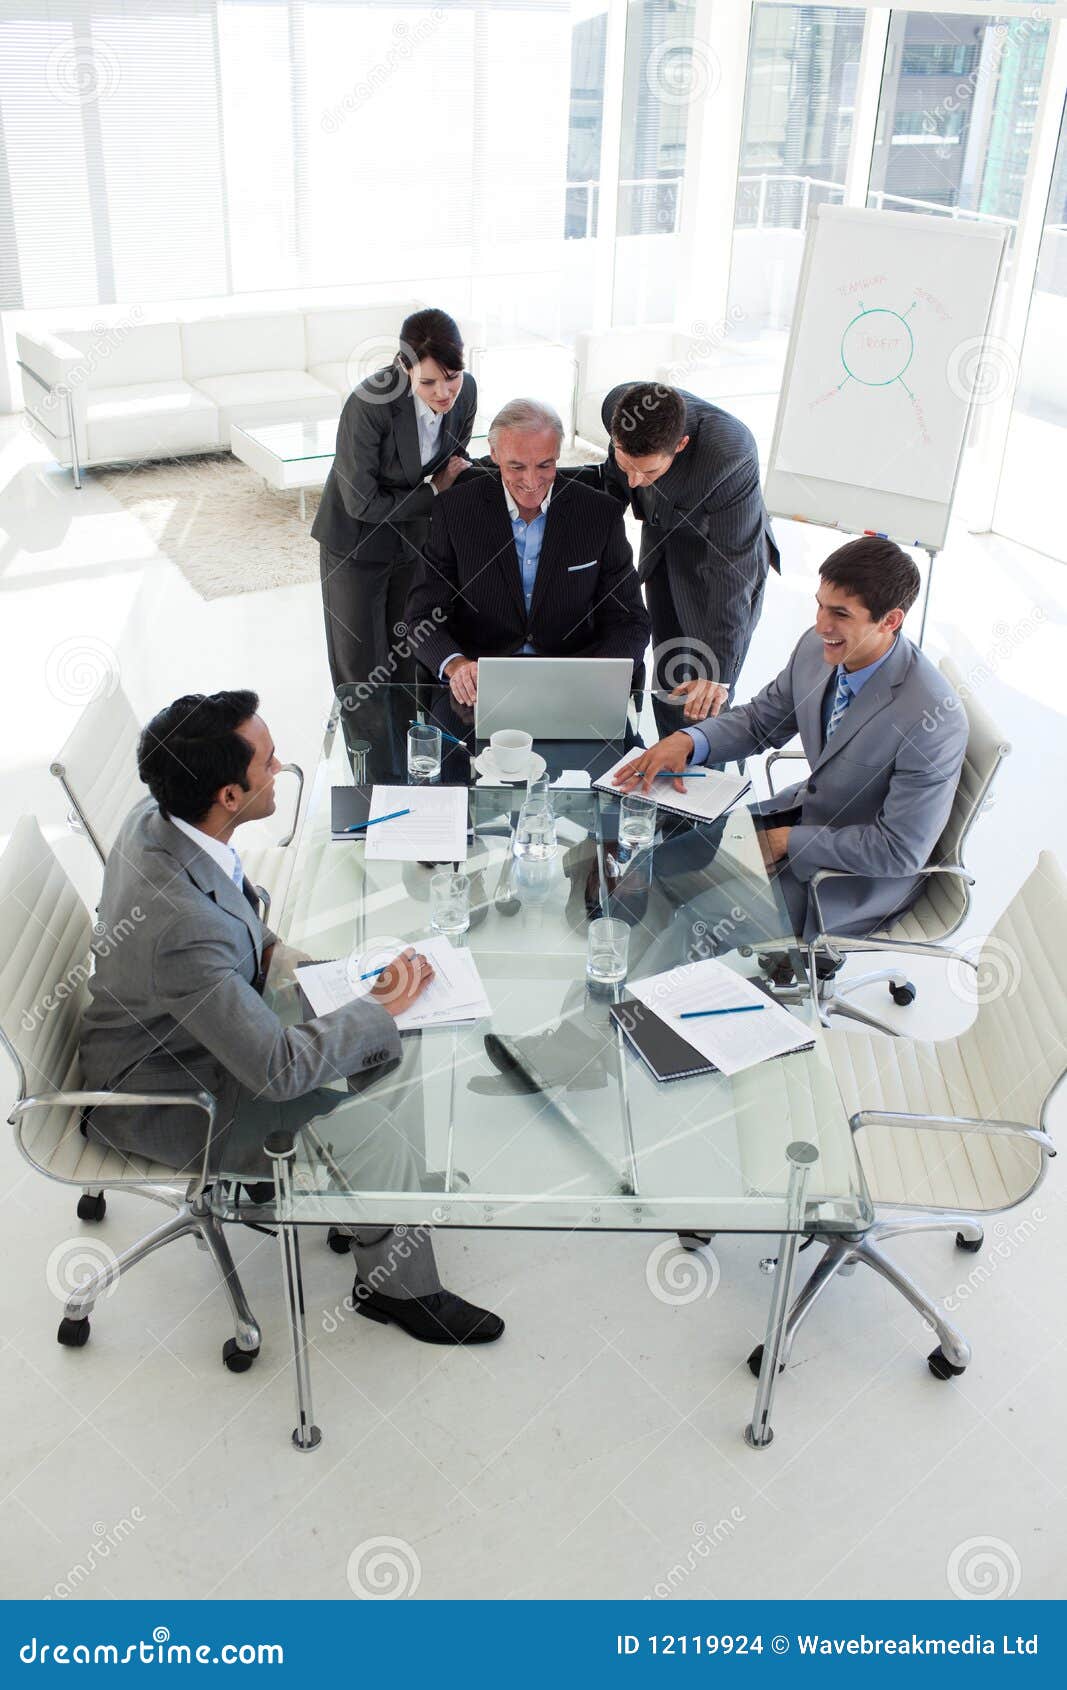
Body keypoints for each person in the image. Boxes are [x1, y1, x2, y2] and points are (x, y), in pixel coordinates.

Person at [79, 690, 503, 1346]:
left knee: (388, 1030)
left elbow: (234, 919)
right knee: (370, 1108)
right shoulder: (179, 929)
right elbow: (277, 1070)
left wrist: (320, 972)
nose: (281, 769)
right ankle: (397, 1288)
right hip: (168, 1092)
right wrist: (373, 1005)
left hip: (197, 1021)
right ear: (228, 795)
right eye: (269, 763)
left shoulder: (161, 816)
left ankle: (386, 1197)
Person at [613, 538, 968, 943]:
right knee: (654, 867)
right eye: (820, 604)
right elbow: (760, 721)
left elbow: (898, 850)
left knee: (697, 923)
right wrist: (690, 741)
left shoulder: (933, 717)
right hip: (801, 816)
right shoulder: (817, 649)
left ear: (890, 621)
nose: (821, 626)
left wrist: (788, 841)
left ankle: (646, 996)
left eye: (840, 614)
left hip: (852, 879)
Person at [405, 398, 650, 702]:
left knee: (629, 751)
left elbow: (629, 620)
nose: (532, 481)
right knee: (453, 751)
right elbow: (421, 616)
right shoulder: (454, 511)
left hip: (574, 682)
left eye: (545, 465)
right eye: (516, 466)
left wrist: (601, 675)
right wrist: (457, 666)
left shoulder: (601, 514)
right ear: (494, 455)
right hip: (480, 684)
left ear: (558, 454)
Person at [594, 381, 780, 733]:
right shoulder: (617, 406)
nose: (634, 480)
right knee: (670, 671)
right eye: (626, 463)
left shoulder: (730, 453)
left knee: (703, 689)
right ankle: (665, 757)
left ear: (680, 445)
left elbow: (732, 570)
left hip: (721, 548)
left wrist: (719, 674)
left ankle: (705, 774)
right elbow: (617, 486)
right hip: (665, 538)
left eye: (647, 472)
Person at [312, 307, 478, 693]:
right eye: (429, 382)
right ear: (404, 366)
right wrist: (434, 491)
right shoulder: (368, 405)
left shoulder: (465, 391)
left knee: (410, 652)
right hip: (355, 541)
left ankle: (411, 747)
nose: (444, 393)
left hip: (410, 536)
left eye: (451, 378)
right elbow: (362, 503)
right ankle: (368, 752)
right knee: (363, 669)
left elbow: (454, 462)